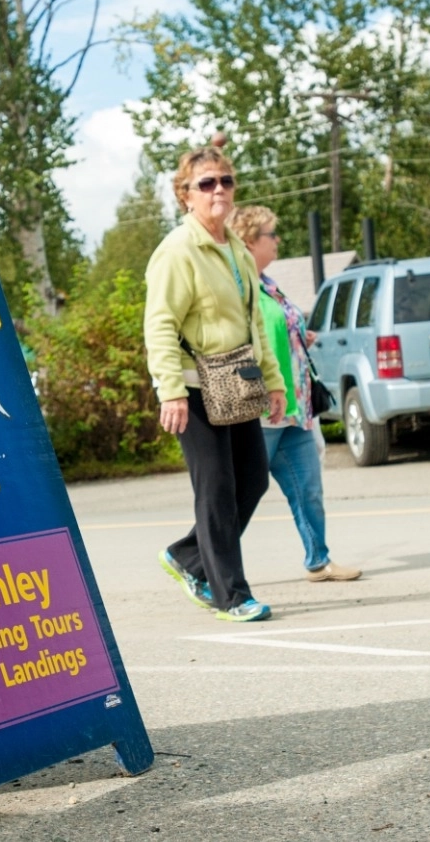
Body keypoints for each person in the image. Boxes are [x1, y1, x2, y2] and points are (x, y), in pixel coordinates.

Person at [144, 145, 286, 623]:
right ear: (186, 194)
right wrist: (170, 390)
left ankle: (187, 556)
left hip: (236, 382)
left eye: (225, 180)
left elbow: (255, 323)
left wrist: (274, 382)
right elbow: (160, 325)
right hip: (193, 387)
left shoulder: (237, 249)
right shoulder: (177, 251)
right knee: (217, 489)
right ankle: (230, 595)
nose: (218, 189)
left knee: (253, 479)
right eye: (206, 183)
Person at [231, 205, 361, 583]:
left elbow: (275, 331)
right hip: (261, 411)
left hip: (294, 407)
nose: (278, 240)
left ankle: (318, 560)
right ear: (249, 242)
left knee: (309, 491)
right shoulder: (237, 288)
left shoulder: (269, 284)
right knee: (241, 498)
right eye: (271, 234)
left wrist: (300, 337)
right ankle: (202, 564)